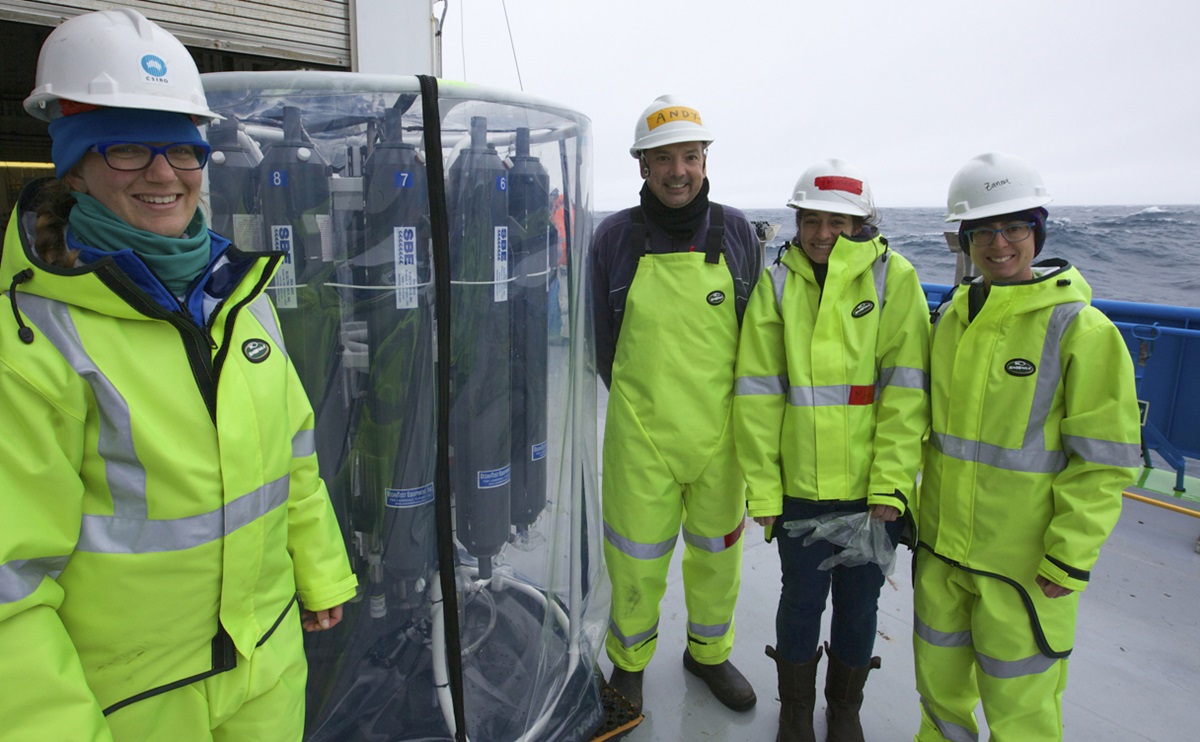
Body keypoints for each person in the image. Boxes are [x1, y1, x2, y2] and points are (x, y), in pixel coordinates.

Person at [0, 9, 357, 740]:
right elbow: (10, 587)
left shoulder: (241, 297)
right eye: (127, 148)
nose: (163, 173)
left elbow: (293, 454)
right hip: (132, 702)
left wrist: (319, 568)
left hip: (266, 665)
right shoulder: (33, 339)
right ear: (74, 167)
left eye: (183, 151)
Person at [913, 152, 1141, 740]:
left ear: (1038, 231)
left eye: (1014, 227)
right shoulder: (951, 318)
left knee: (1021, 713)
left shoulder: (1082, 330)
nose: (999, 244)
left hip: (1024, 570)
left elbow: (1104, 462)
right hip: (941, 554)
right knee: (938, 697)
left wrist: (1070, 556)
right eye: (983, 231)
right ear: (965, 241)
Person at [733, 159, 930, 741]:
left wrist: (892, 484)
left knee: (860, 607)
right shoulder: (776, 284)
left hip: (872, 494)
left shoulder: (895, 279)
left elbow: (907, 392)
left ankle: (845, 710)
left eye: (837, 223)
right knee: (799, 603)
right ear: (797, 222)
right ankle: (795, 710)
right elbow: (757, 395)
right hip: (799, 491)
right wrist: (764, 490)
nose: (822, 234)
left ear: (861, 224)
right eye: (811, 221)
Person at [589, 94, 761, 720]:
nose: (678, 171)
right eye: (663, 159)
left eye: (690, 156)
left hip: (722, 434)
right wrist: (643, 407)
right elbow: (601, 343)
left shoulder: (738, 232)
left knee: (719, 554)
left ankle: (708, 654)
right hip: (641, 434)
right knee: (634, 557)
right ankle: (629, 664)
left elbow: (756, 338)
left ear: (705, 160)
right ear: (643, 166)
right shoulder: (613, 237)